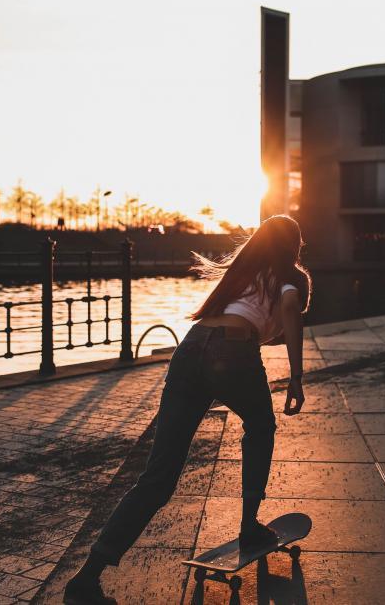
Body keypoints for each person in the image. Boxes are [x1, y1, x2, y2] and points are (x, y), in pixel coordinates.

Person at [63, 215, 312, 605]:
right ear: (295, 247)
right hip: (232, 350)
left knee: (157, 479)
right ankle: (249, 526)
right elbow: (292, 308)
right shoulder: (291, 277)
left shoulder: (241, 273)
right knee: (261, 426)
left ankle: (86, 578)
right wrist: (296, 376)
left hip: (190, 349)